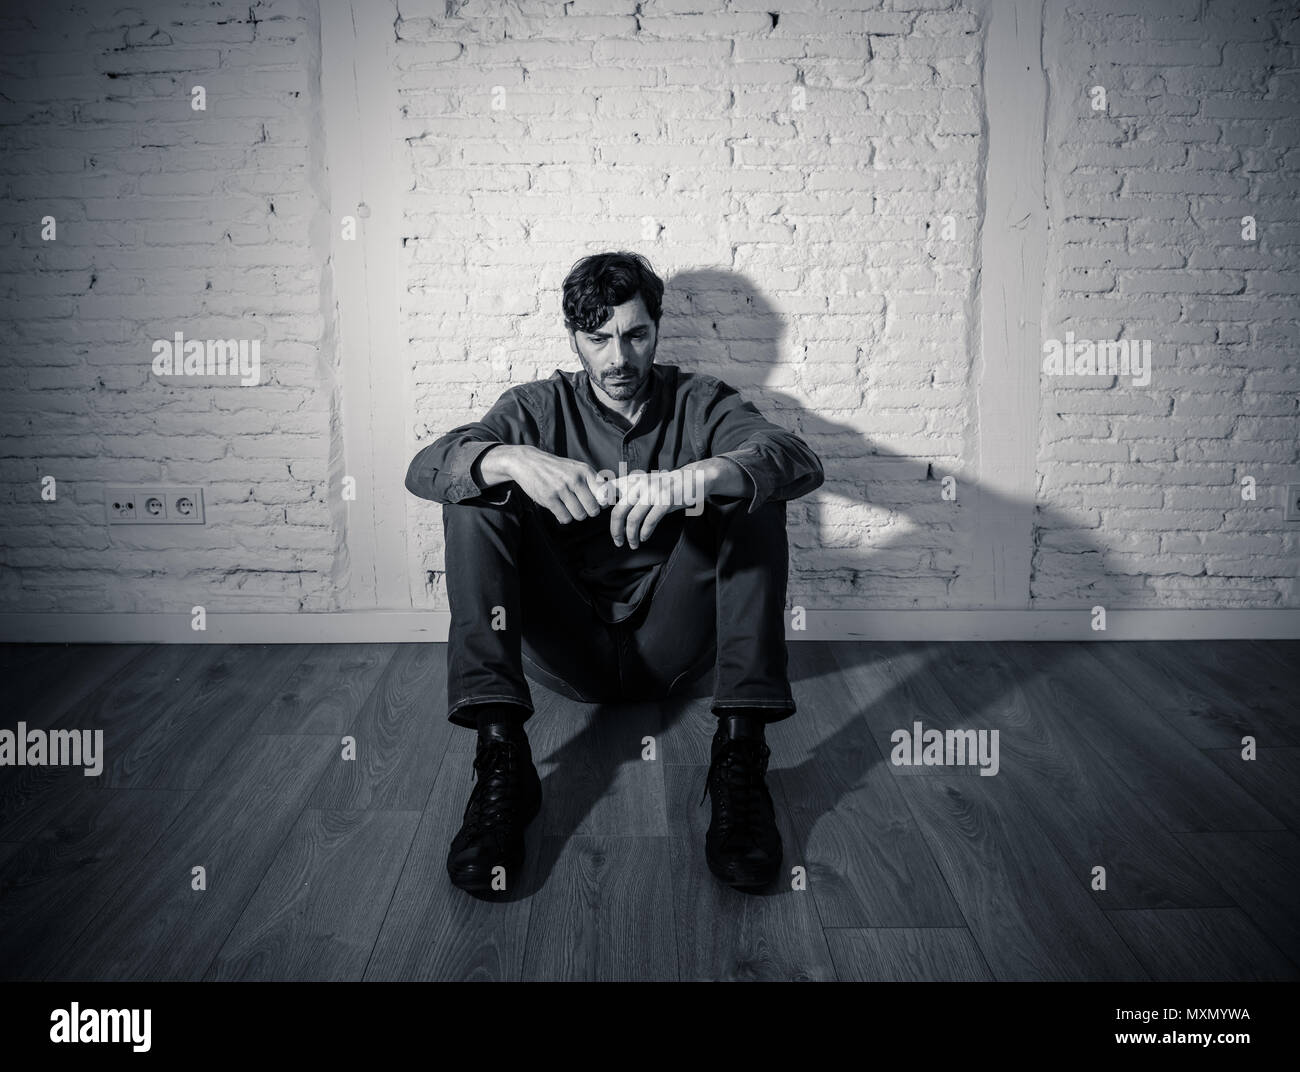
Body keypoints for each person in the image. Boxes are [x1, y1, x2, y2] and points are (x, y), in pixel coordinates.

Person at [404, 251, 825, 894]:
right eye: (598, 339)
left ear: (657, 328)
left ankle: (741, 758)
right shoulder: (535, 408)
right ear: (574, 337)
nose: (617, 358)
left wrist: (702, 475)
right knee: (476, 490)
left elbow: (794, 458)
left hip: (673, 643)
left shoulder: (700, 402)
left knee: (752, 493)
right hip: (569, 647)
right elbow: (425, 468)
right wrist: (510, 458)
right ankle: (500, 762)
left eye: (635, 335)